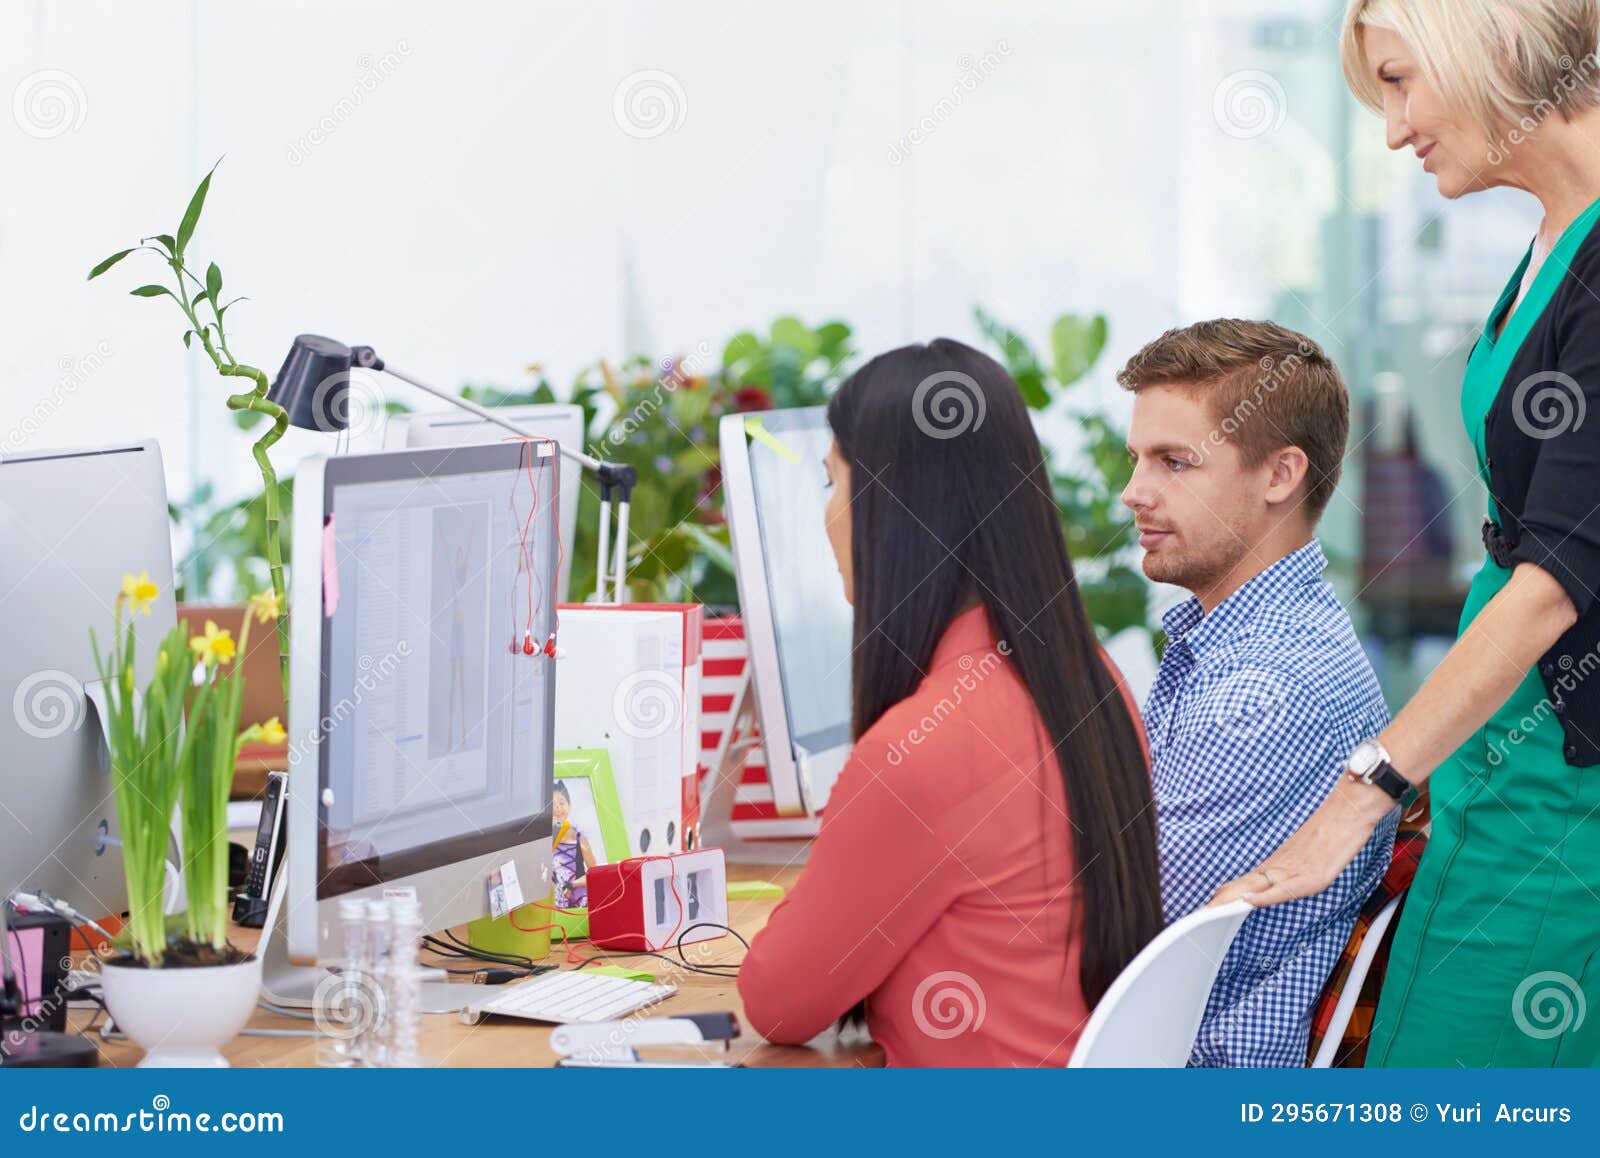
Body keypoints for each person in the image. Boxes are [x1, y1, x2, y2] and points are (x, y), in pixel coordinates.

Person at [1215, 0, 1600, 1069]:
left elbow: (1556, 579)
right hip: (1496, 772)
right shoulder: (1550, 243)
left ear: (1488, 51)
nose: (1392, 129)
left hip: (1566, 804)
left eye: (1398, 82)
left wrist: (1362, 793)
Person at [737, 339, 1163, 1066]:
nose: (828, 515)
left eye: (834, 484)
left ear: (894, 511)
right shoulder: (1090, 677)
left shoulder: (923, 751)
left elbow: (778, 1003)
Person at [1119, 319, 1399, 1066]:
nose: (1132, 493)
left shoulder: (1271, 685)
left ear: (1280, 476)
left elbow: (1115, 929)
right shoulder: (1242, 642)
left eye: (1174, 462)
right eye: (1136, 459)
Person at [551, 781, 598, 909]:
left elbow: (595, 874)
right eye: (552, 804)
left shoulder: (580, 838)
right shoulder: (545, 840)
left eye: (562, 803)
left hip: (580, 900)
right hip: (557, 902)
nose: (558, 808)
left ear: (569, 806)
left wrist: (572, 884)